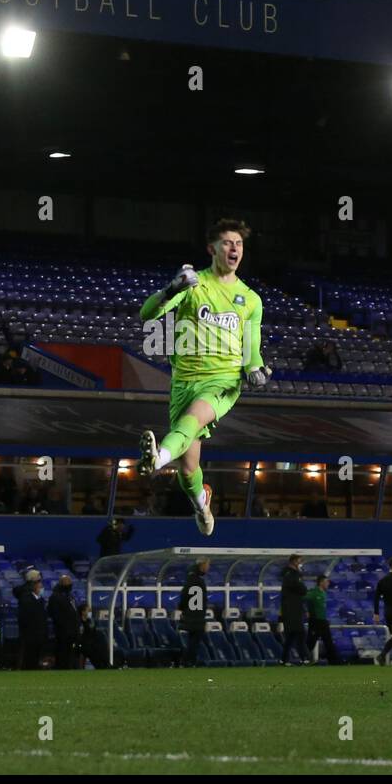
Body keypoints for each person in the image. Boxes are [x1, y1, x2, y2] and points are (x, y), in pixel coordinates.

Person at [137, 219, 270, 539]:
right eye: (227, 243)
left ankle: (156, 461)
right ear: (212, 249)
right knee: (187, 470)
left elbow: (252, 349)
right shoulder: (192, 284)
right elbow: (147, 315)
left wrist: (257, 371)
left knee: (191, 422)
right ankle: (201, 503)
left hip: (223, 382)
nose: (234, 248)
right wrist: (171, 289)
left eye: (238, 243)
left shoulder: (251, 300)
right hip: (184, 380)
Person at [278, 554, 309, 664]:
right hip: (292, 609)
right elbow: (301, 588)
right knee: (300, 633)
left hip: (292, 609)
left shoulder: (290, 574)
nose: (300, 564)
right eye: (299, 561)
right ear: (294, 561)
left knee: (291, 636)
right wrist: (301, 581)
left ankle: (284, 659)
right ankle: (305, 658)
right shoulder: (291, 575)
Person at [15, 569, 47, 670]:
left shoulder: (38, 599)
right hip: (29, 631)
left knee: (35, 655)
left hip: (37, 631)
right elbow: (27, 616)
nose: (40, 585)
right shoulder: (26, 598)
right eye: (38, 582)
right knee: (28, 655)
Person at [179, 558, 209, 666]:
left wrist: (182, 610)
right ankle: (188, 661)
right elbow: (204, 601)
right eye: (206, 566)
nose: (207, 568)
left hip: (189, 616)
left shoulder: (189, 581)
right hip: (198, 617)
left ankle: (187, 661)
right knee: (194, 642)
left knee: (192, 641)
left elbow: (183, 598)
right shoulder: (200, 582)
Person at [305, 575, 340, 664]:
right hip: (315, 621)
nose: (328, 583)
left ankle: (333, 661)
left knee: (328, 641)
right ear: (321, 582)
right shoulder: (313, 593)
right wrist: (306, 611)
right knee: (311, 641)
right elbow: (302, 600)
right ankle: (304, 659)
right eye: (326, 581)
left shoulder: (323, 593)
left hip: (322, 621)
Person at [47, 574, 80, 669]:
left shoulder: (69, 596)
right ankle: (62, 668)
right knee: (62, 652)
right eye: (68, 583)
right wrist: (64, 625)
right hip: (63, 631)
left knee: (70, 653)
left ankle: (69, 667)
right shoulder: (56, 597)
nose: (70, 585)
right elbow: (54, 614)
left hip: (72, 630)